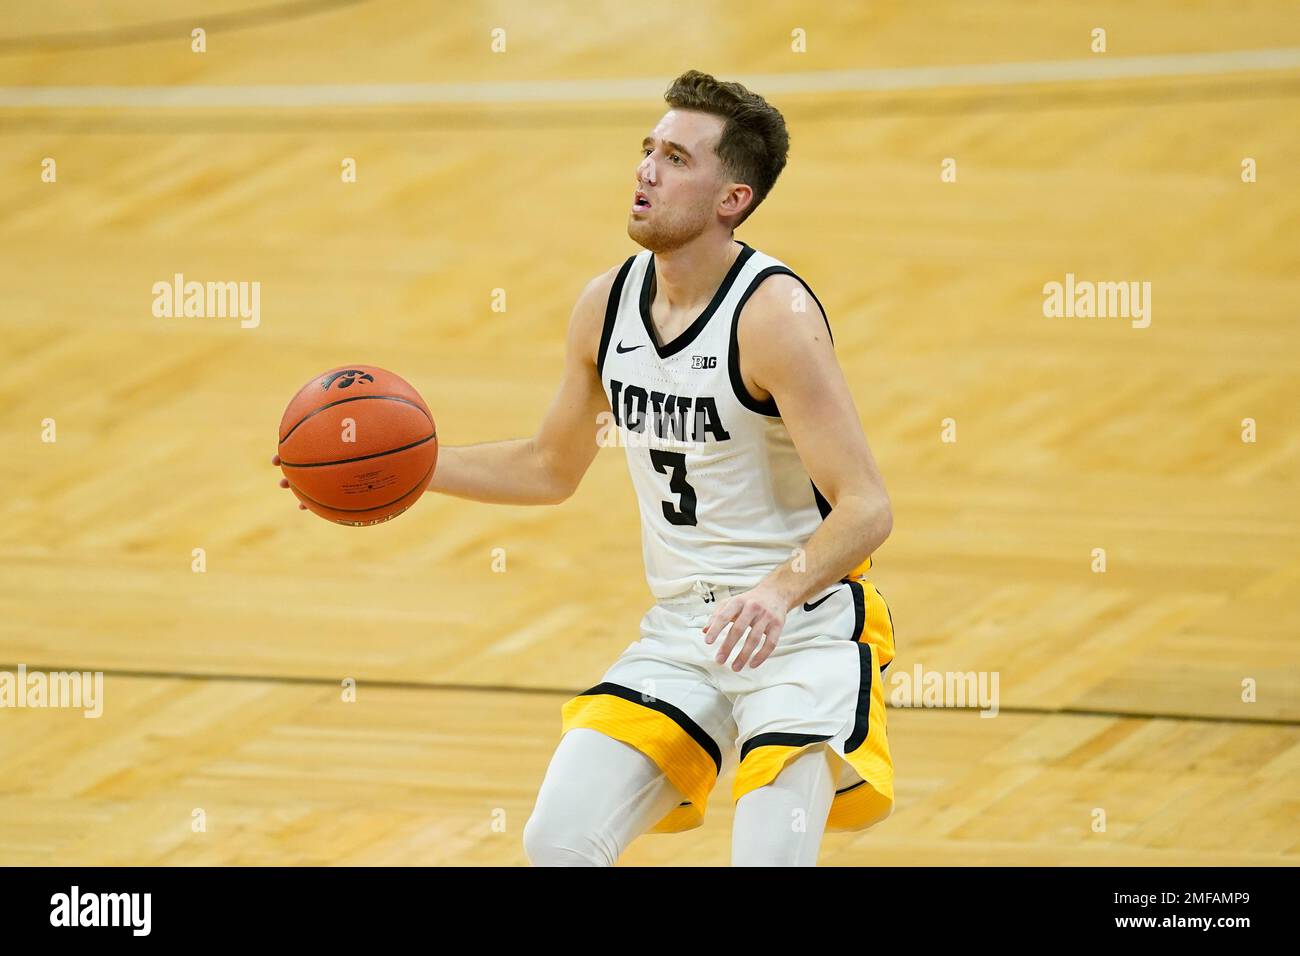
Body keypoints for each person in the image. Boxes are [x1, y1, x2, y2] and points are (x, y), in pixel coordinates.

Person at [275, 70, 895, 866]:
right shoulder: (607, 305)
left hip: (802, 630)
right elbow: (549, 466)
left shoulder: (774, 317)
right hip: (684, 636)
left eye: (675, 158)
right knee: (558, 840)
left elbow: (866, 507)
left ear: (730, 199)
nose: (646, 170)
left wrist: (776, 593)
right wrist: (404, 470)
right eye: (647, 150)